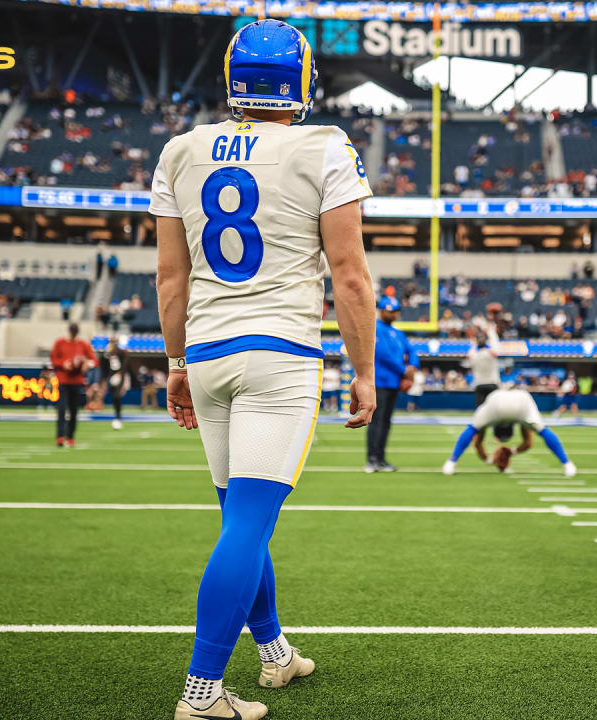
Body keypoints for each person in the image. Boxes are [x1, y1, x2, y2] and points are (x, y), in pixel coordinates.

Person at [150, 20, 377, 720]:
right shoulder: (323, 144)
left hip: (210, 350)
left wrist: (178, 362)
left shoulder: (181, 150)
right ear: (301, 81)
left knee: (237, 520)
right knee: (247, 523)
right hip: (278, 353)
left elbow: (169, 278)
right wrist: (364, 371)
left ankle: (275, 652)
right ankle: (202, 691)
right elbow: (350, 276)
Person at [442, 385, 577, 477]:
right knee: (543, 431)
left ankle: (451, 462)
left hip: (496, 401)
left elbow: (476, 441)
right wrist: (512, 452)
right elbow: (528, 443)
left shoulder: (489, 415)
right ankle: (567, 464)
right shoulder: (522, 419)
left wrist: (489, 460)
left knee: (472, 428)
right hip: (522, 401)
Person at [368, 296, 417, 472]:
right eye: (390, 310)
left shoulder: (398, 333)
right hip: (380, 381)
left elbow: (412, 350)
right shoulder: (375, 329)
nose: (393, 314)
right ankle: (372, 459)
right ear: (381, 311)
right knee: (377, 421)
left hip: (394, 383)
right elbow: (382, 353)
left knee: (386, 422)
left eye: (395, 311)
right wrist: (403, 370)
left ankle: (380, 458)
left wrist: (412, 365)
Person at [51, 323, 95, 447]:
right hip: (63, 381)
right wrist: (63, 364)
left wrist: (88, 364)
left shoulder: (82, 345)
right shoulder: (60, 343)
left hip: (76, 381)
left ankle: (70, 437)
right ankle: (60, 436)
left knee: (74, 411)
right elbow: (54, 359)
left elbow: (93, 360)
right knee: (61, 409)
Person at [466, 327, 501, 406]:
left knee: (480, 410)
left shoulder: (475, 355)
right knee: (493, 409)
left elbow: (470, 353)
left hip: (480, 384)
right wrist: (491, 332)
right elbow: (496, 344)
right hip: (492, 383)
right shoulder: (491, 354)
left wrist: (474, 342)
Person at [102, 336, 130, 430]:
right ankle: (116, 415)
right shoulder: (108, 352)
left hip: (119, 375)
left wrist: (121, 373)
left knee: (117, 396)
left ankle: (118, 416)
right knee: (114, 396)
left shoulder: (120, 351)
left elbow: (125, 362)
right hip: (112, 375)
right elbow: (105, 365)